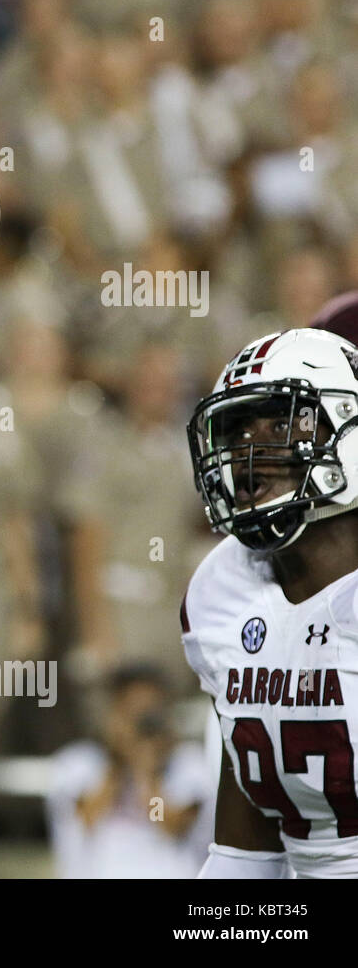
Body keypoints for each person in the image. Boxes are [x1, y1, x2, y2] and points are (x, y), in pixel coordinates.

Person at [182, 327, 358, 878]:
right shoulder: (221, 589)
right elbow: (248, 845)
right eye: (235, 430)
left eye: (280, 421)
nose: (247, 451)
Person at [47, 664, 210, 878]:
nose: (140, 724)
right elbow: (87, 819)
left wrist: (148, 776)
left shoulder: (188, 765)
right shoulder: (78, 763)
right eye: (131, 712)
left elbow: (168, 826)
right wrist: (117, 763)